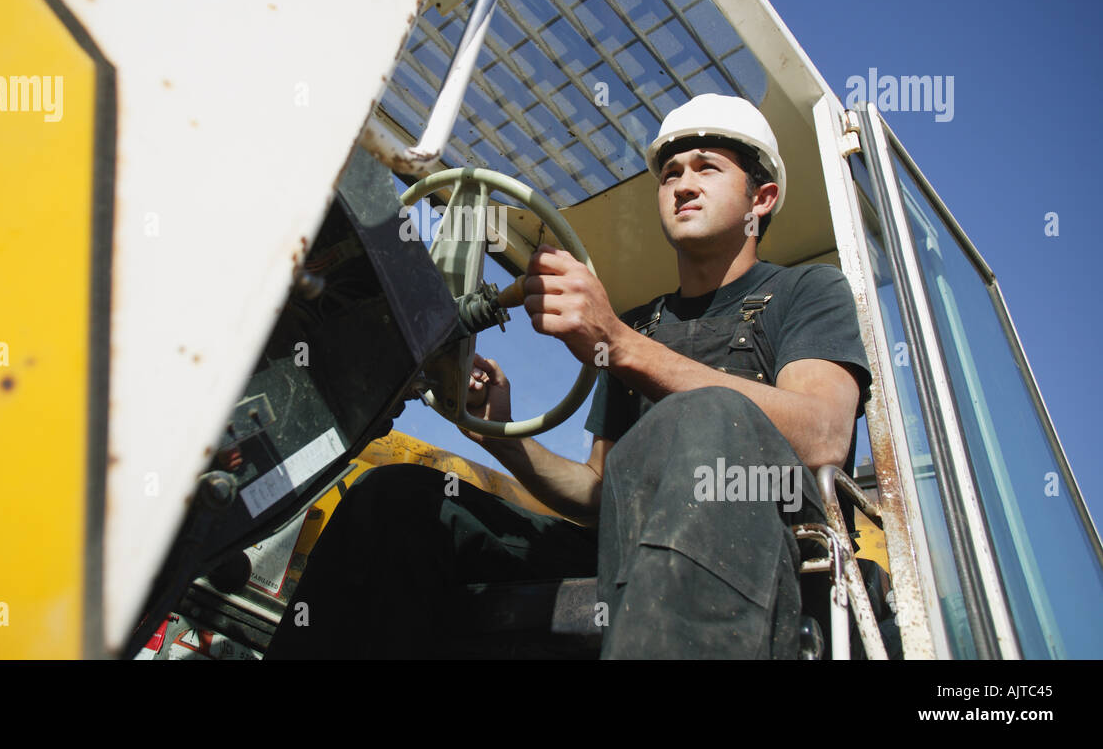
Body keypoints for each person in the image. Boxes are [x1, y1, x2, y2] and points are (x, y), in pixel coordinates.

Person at [265, 94, 872, 659]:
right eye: (670, 173)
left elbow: (821, 434)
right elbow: (599, 495)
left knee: (707, 417)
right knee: (395, 503)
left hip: (757, 550)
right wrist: (499, 435)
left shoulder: (805, 292)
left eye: (707, 167)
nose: (683, 184)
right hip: (617, 549)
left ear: (761, 198)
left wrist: (619, 344)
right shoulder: (644, 323)